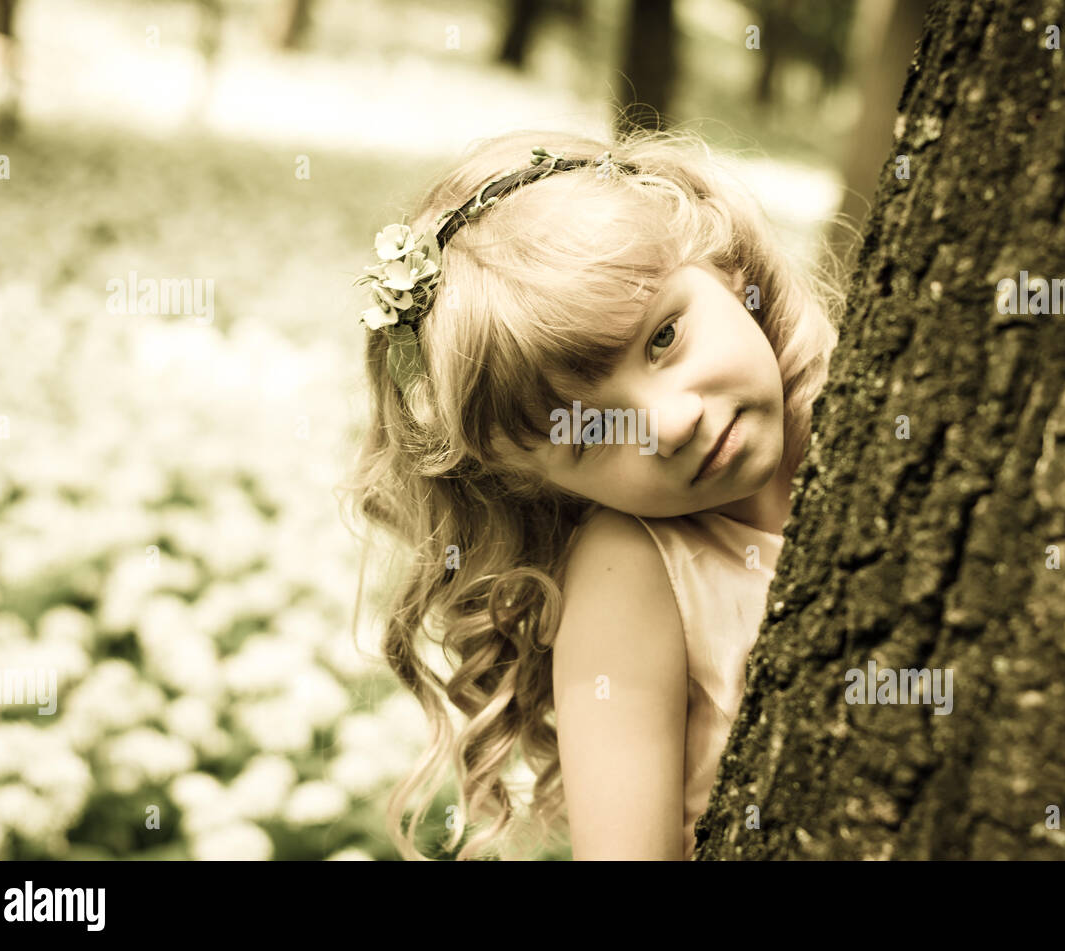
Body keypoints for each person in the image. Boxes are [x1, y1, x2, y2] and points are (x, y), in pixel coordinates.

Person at [340, 127, 844, 860]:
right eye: (592, 434)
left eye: (664, 337)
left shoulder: (876, 399)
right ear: (540, 483)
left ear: (725, 263)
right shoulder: (631, 569)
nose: (670, 424)